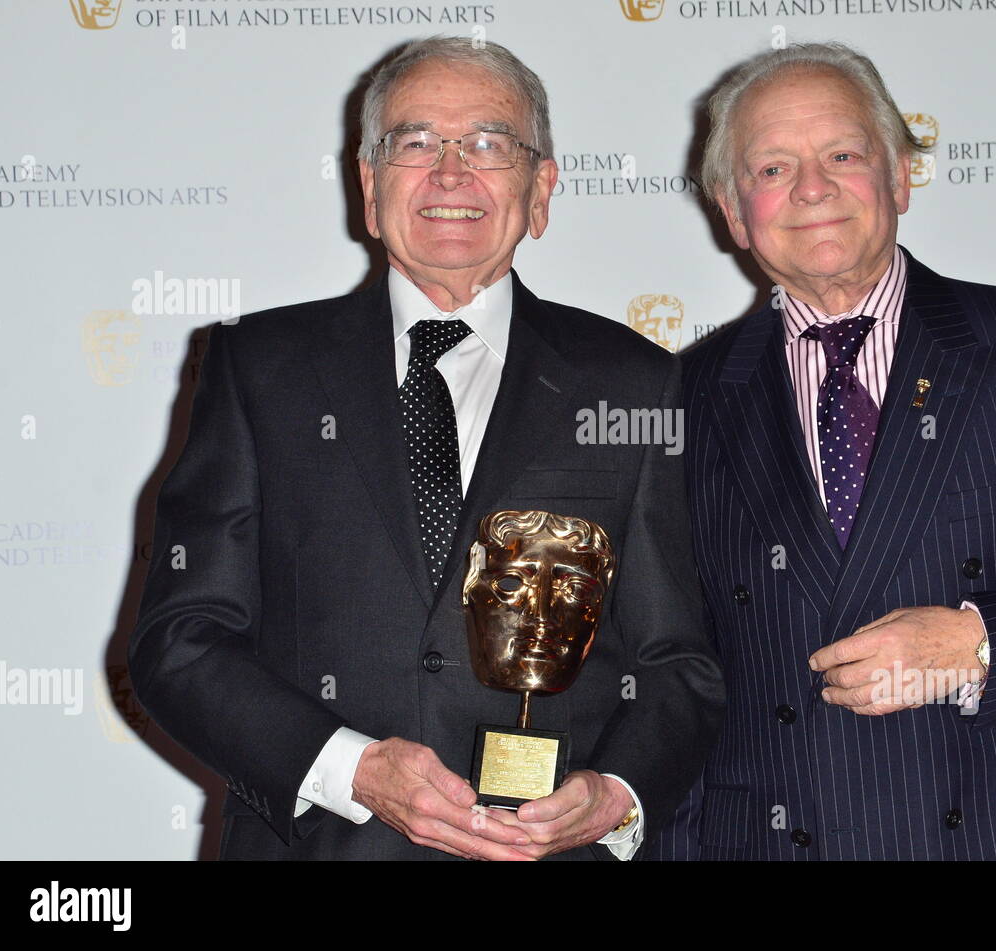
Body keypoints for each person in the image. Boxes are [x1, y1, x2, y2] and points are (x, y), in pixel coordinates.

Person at [129, 36, 723, 861]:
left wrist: (614, 795)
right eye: (415, 143)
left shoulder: (634, 384)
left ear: (541, 190)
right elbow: (180, 640)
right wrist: (353, 769)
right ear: (370, 188)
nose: (451, 173)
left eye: (488, 143)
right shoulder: (259, 368)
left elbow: (677, 664)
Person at [647, 42, 996, 861]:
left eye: (843, 154)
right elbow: (678, 671)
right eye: (771, 168)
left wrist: (976, 645)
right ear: (733, 212)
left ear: (901, 176)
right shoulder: (680, 396)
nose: (811, 187)